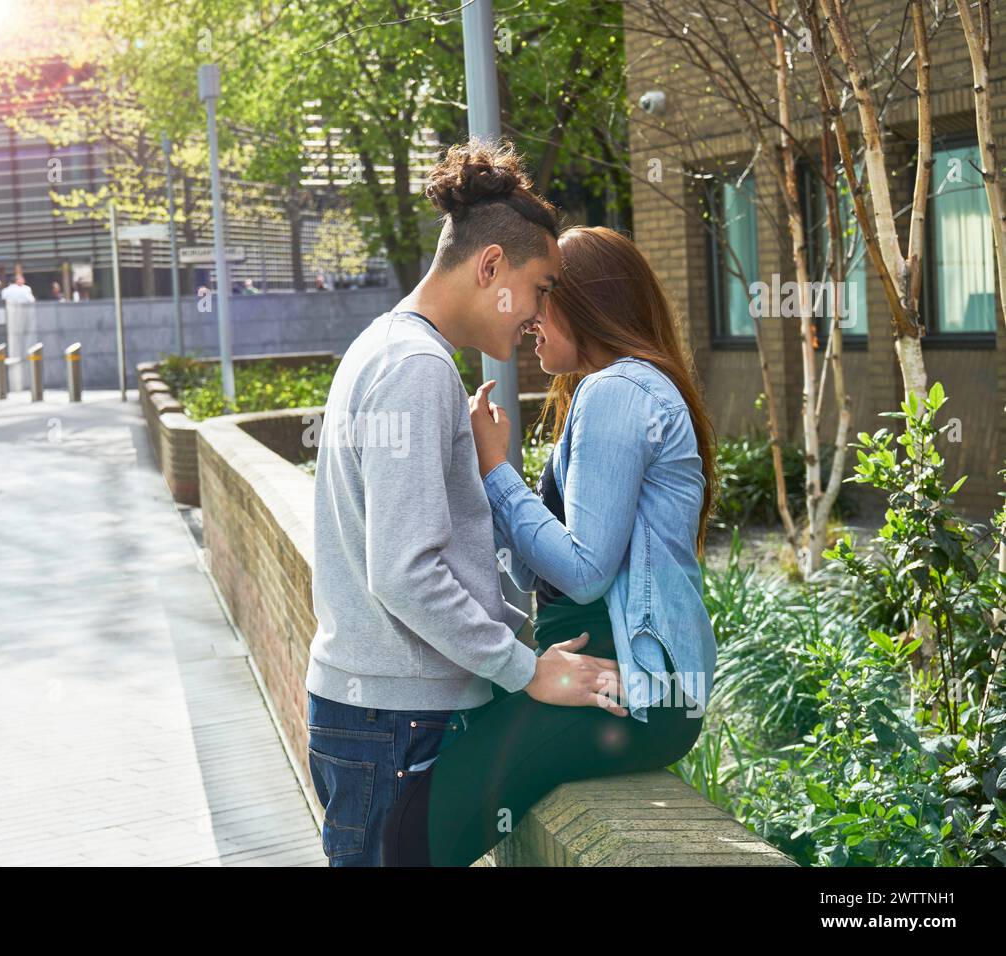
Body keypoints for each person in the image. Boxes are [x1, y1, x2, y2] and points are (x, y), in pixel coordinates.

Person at [379, 226, 719, 866]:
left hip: (628, 687)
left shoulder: (617, 391)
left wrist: (494, 470)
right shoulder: (617, 389)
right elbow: (547, 559)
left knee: (416, 837)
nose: (530, 316)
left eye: (544, 294)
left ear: (589, 302)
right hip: (610, 676)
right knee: (425, 806)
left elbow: (584, 571)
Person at [305, 137, 589, 867]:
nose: (538, 316)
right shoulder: (416, 368)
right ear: (491, 266)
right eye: (542, 288)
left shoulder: (386, 349)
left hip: (375, 717)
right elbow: (402, 570)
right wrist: (526, 668)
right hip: (395, 723)